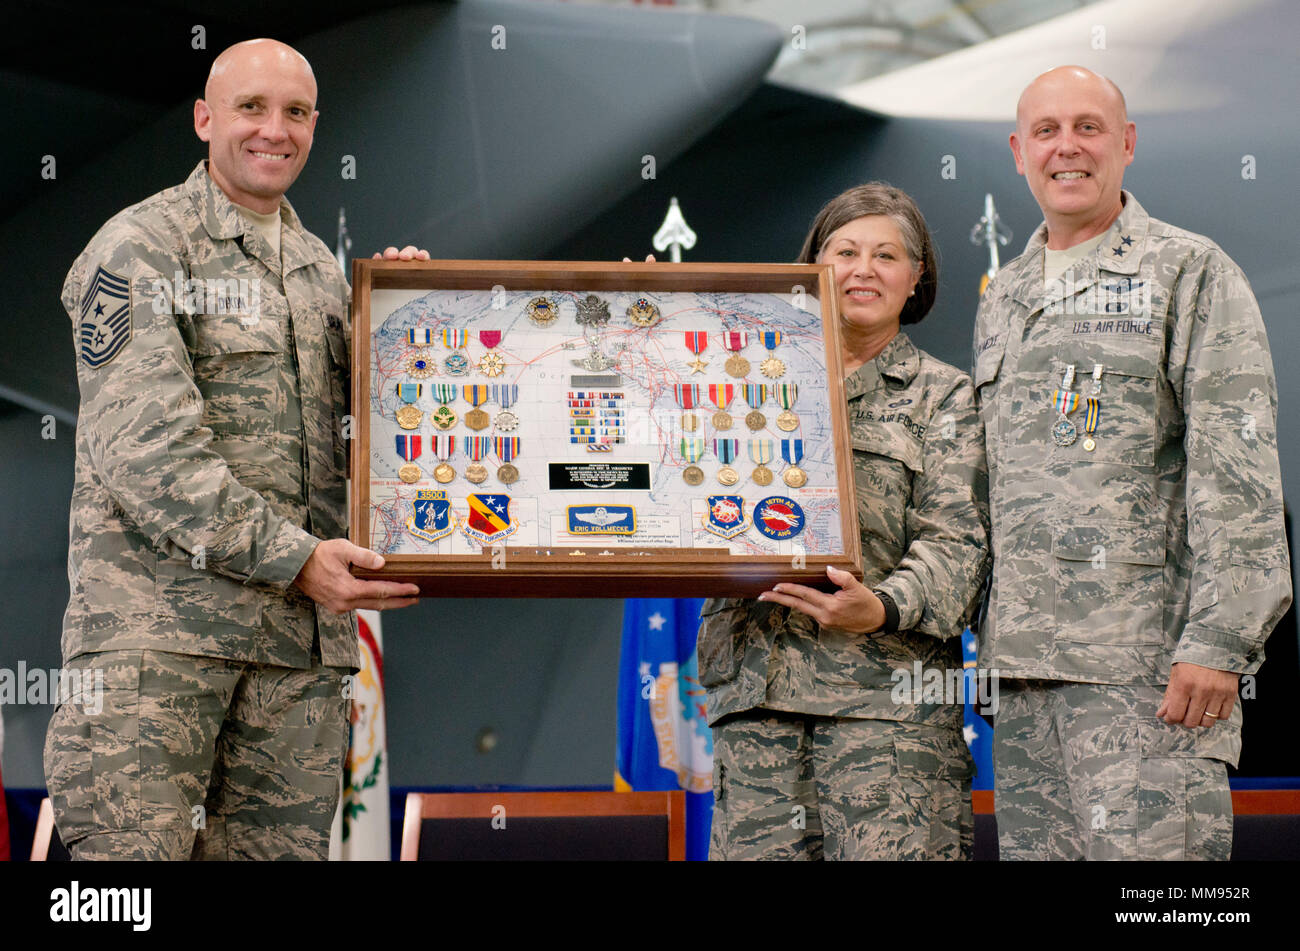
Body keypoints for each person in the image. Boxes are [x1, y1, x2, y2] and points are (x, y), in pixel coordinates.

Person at [45, 38, 426, 860]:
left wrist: (402, 335)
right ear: (204, 118)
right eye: (251, 107)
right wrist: (296, 560)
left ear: (315, 127)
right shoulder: (144, 247)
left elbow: (352, 447)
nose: (273, 130)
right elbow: (149, 455)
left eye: (294, 112)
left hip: (294, 659)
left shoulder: (324, 274)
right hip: (160, 653)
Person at [973, 66, 1291, 860]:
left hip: (1148, 677)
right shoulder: (1003, 297)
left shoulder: (1189, 271)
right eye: (1046, 131)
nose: (1067, 147)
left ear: (1128, 143)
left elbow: (1239, 469)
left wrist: (1220, 642)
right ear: (1019, 152)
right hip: (1024, 681)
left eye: (1089, 127)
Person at [697, 183, 991, 860]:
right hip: (758, 708)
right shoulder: (740, 381)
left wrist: (881, 607)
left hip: (888, 720)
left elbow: (959, 547)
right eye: (847, 250)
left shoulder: (945, 397)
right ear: (814, 265)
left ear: (915, 278)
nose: (864, 269)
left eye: (887, 255)